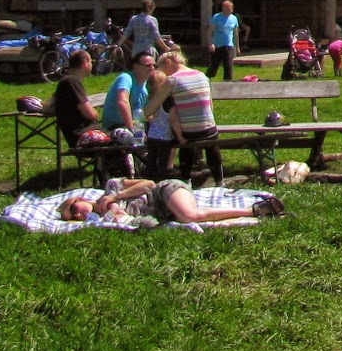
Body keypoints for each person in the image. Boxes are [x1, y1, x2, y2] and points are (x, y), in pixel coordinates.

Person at [59, 176, 283, 225]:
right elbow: (150, 224)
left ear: (78, 198)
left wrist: (116, 197)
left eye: (74, 208)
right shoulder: (105, 221)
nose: (78, 214)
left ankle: (253, 211)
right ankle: (258, 210)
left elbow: (148, 184)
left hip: (164, 191)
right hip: (165, 212)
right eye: (73, 217)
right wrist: (125, 218)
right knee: (188, 216)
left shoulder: (110, 187)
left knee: (189, 216)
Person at [145, 50, 223, 188]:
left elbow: (150, 109)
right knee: (211, 143)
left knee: (179, 136)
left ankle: (186, 180)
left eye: (161, 68)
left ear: (168, 62)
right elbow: (211, 106)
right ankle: (219, 181)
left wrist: (143, 112)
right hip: (210, 130)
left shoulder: (172, 80)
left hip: (189, 134)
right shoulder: (202, 75)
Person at [101, 51, 155, 175]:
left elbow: (147, 113)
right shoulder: (126, 78)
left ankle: (155, 169)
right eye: (147, 65)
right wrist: (133, 128)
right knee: (133, 139)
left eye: (154, 65)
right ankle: (137, 172)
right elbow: (122, 101)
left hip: (137, 125)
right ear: (136, 66)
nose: (151, 68)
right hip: (116, 127)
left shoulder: (146, 86)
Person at [53, 50, 98, 147]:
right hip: (84, 136)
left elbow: (47, 106)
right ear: (85, 62)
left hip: (81, 135)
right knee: (124, 139)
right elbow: (90, 114)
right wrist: (96, 113)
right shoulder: (71, 82)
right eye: (91, 61)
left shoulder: (66, 81)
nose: (91, 64)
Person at [207, 0, 240, 82]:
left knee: (228, 64)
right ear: (222, 8)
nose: (227, 10)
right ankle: (207, 77)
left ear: (232, 9)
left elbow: (236, 33)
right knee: (214, 66)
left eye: (229, 9)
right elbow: (210, 31)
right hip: (217, 45)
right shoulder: (216, 17)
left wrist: (237, 47)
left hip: (229, 45)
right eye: (225, 8)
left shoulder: (234, 18)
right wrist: (210, 43)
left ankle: (228, 81)